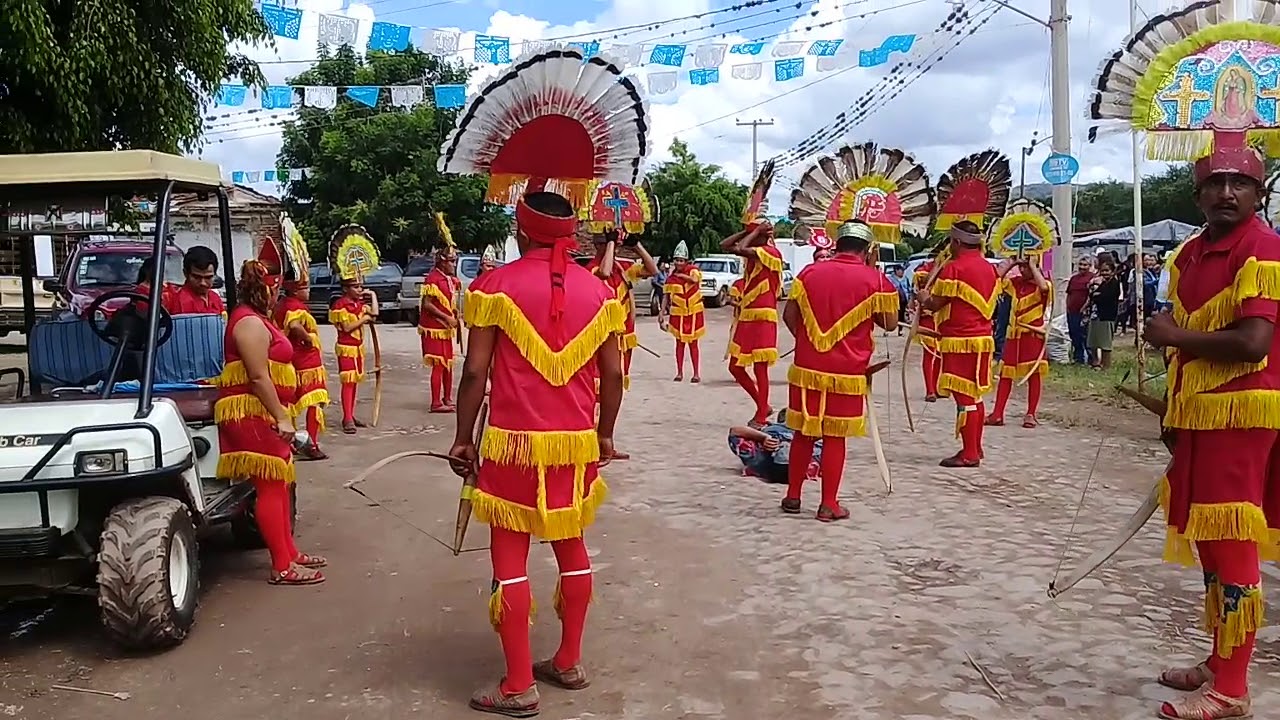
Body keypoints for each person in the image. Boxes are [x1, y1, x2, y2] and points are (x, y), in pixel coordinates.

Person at [450, 191, 625, 714]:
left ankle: (519, 683)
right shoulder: (600, 292)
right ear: (569, 234)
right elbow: (613, 375)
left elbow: (476, 373)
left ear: (521, 230)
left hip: (512, 445)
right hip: (574, 443)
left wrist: (462, 437)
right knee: (570, 545)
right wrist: (607, 434)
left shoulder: (494, 287)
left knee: (510, 554)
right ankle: (568, 660)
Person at [1140, 140, 1280, 719]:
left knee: (1230, 538)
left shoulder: (1264, 247)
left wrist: (1172, 336)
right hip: (1197, 412)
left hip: (1242, 412)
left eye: (1240, 183)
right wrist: (1174, 412)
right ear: (1197, 194)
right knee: (1208, 543)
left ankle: (1233, 689)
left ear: (1259, 192)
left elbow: (1253, 343)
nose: (1227, 192)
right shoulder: (1193, 253)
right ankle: (1221, 660)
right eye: (1215, 183)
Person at [214, 240, 325, 586]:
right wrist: (281, 416)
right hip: (252, 412)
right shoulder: (247, 323)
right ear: (266, 289)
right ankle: (282, 565)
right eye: (275, 288)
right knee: (271, 486)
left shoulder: (260, 319)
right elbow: (258, 375)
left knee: (280, 482)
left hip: (264, 411)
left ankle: (289, 552)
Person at [781, 220, 898, 520]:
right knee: (835, 436)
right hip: (847, 373)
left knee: (803, 433)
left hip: (807, 368)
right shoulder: (874, 280)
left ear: (838, 243)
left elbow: (790, 316)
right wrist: (875, 270)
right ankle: (828, 503)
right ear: (868, 249)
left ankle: (793, 496)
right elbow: (890, 323)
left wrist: (809, 345)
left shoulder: (809, 273)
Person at [917, 221, 998, 468]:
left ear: (957, 242)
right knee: (975, 396)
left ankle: (970, 453)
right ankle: (975, 446)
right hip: (983, 339)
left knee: (965, 398)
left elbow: (936, 304)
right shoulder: (988, 268)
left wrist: (924, 298)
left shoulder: (954, 268)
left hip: (961, 341)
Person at [585, 228, 658, 460]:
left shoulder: (622, 268)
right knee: (597, 391)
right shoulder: (590, 268)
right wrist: (610, 245)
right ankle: (592, 442)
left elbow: (652, 270)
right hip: (601, 340)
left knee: (614, 392)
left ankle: (607, 439)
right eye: (601, 242)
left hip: (623, 339)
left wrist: (636, 245)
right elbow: (603, 273)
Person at [720, 221, 783, 426]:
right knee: (735, 367)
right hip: (747, 315)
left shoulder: (771, 253)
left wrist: (755, 232)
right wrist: (746, 231)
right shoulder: (754, 253)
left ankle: (761, 416)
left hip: (763, 316)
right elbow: (725, 245)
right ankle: (762, 404)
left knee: (760, 368)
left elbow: (740, 249)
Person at [273, 264, 329, 461]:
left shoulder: (281, 305)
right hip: (305, 362)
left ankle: (293, 443)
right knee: (315, 401)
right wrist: (307, 338)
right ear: (295, 289)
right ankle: (311, 444)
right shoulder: (294, 306)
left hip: (292, 361)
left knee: (292, 403)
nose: (309, 291)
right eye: (306, 287)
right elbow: (294, 325)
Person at [987, 257, 1051, 428]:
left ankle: (1031, 414)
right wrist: (1013, 263)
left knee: (1034, 375)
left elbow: (1044, 288)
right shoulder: (1015, 283)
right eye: (1021, 267)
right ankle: (998, 413)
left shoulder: (1043, 284)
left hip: (1032, 335)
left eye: (1026, 267)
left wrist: (1032, 265)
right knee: (1005, 375)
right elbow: (995, 281)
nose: (1023, 271)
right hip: (1014, 335)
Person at [328, 266, 378, 434]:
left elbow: (375, 315)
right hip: (346, 348)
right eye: (356, 287)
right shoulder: (340, 306)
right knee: (348, 383)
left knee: (354, 382)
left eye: (361, 287)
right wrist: (364, 319)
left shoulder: (360, 305)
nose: (359, 290)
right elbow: (347, 327)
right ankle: (347, 417)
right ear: (345, 289)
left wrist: (372, 296)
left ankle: (351, 413)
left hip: (358, 349)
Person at [729, 409, 820, 484]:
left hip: (771, 459)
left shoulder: (758, 461)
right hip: (797, 448)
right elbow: (736, 431)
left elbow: (735, 431)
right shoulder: (814, 457)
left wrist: (763, 438)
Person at [420, 245, 460, 413]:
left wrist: (454, 313)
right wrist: (446, 317)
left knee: (448, 364)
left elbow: (447, 301)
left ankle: (447, 398)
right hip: (434, 328)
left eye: (455, 261)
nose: (454, 265)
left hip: (445, 328)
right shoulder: (432, 279)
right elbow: (427, 304)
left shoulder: (448, 279)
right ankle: (436, 402)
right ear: (442, 262)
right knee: (439, 364)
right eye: (451, 261)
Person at [662, 241, 705, 382]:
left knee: (694, 344)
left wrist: (682, 277)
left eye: (681, 260)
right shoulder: (671, 278)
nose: (678, 263)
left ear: (686, 261)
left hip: (693, 312)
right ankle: (679, 372)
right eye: (676, 260)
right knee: (679, 344)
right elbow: (666, 297)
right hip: (677, 313)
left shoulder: (693, 270)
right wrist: (661, 313)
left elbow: (694, 280)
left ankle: (696, 373)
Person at [912, 258, 941, 401]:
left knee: (940, 355)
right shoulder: (923, 271)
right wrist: (936, 268)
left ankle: (936, 388)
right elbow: (924, 287)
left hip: (942, 319)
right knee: (930, 354)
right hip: (928, 318)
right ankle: (929, 390)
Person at [167, 245, 226, 317]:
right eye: (197, 277)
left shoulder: (215, 298)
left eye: (208, 277)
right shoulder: (179, 302)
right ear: (186, 273)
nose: (202, 283)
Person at [1086, 261, 1121, 369]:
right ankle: (1096, 362)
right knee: (1093, 341)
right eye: (1102, 271)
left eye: (1107, 270)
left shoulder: (1114, 283)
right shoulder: (1104, 283)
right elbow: (1092, 295)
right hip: (1096, 315)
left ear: (1112, 271)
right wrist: (1096, 294)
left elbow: (1107, 298)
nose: (1104, 273)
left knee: (1105, 344)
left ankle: (1106, 366)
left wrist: (1097, 295)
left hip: (1107, 316)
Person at [1066, 256, 1095, 364]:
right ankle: (1078, 358)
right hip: (1072, 311)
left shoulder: (1092, 278)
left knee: (1085, 336)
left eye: (1085, 265)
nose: (1082, 267)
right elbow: (1069, 293)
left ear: (1089, 266)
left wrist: (1084, 308)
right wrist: (1067, 306)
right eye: (1081, 264)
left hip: (1085, 312)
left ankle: (1091, 358)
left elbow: (1091, 295)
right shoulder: (1074, 279)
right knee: (1074, 334)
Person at [890, 265, 911, 336]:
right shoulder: (891, 279)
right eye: (900, 270)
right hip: (895, 299)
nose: (902, 272)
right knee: (894, 315)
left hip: (903, 299)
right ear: (896, 271)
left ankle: (900, 330)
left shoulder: (905, 279)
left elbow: (909, 288)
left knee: (901, 315)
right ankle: (888, 329)